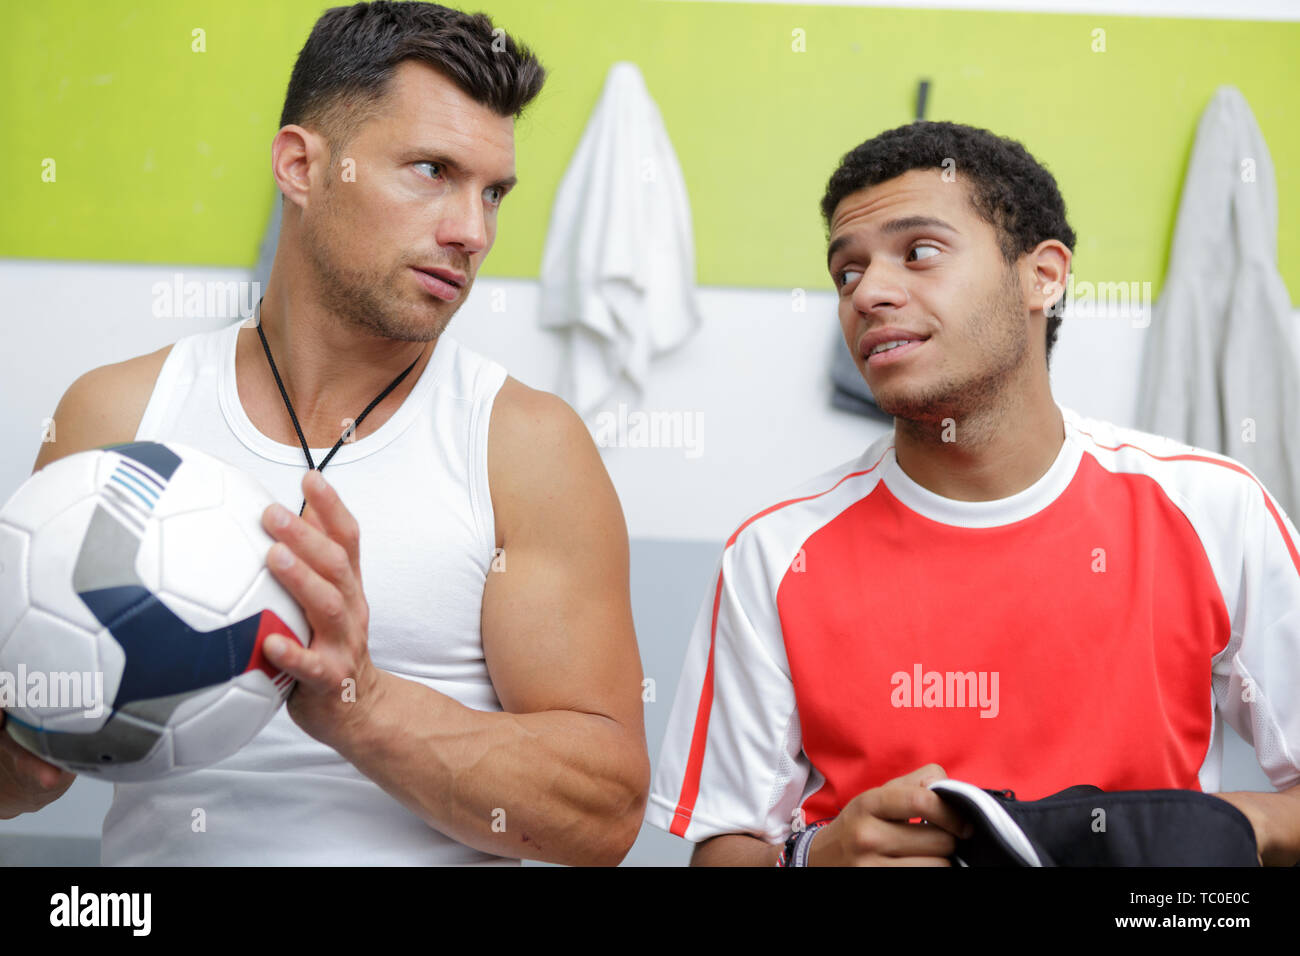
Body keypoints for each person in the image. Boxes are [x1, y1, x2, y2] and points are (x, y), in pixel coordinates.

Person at [0, 0, 649, 866]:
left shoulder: (527, 445)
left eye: (492, 192)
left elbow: (603, 816)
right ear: (302, 166)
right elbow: (21, 779)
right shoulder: (117, 417)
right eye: (431, 170)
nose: (473, 231)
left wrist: (363, 705)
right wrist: (23, 743)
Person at [646, 120, 1300, 866]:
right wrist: (812, 861)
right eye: (846, 272)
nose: (869, 294)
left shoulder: (1216, 511)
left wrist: (1218, 828)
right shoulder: (773, 555)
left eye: (918, 253)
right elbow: (728, 844)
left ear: (1043, 276)